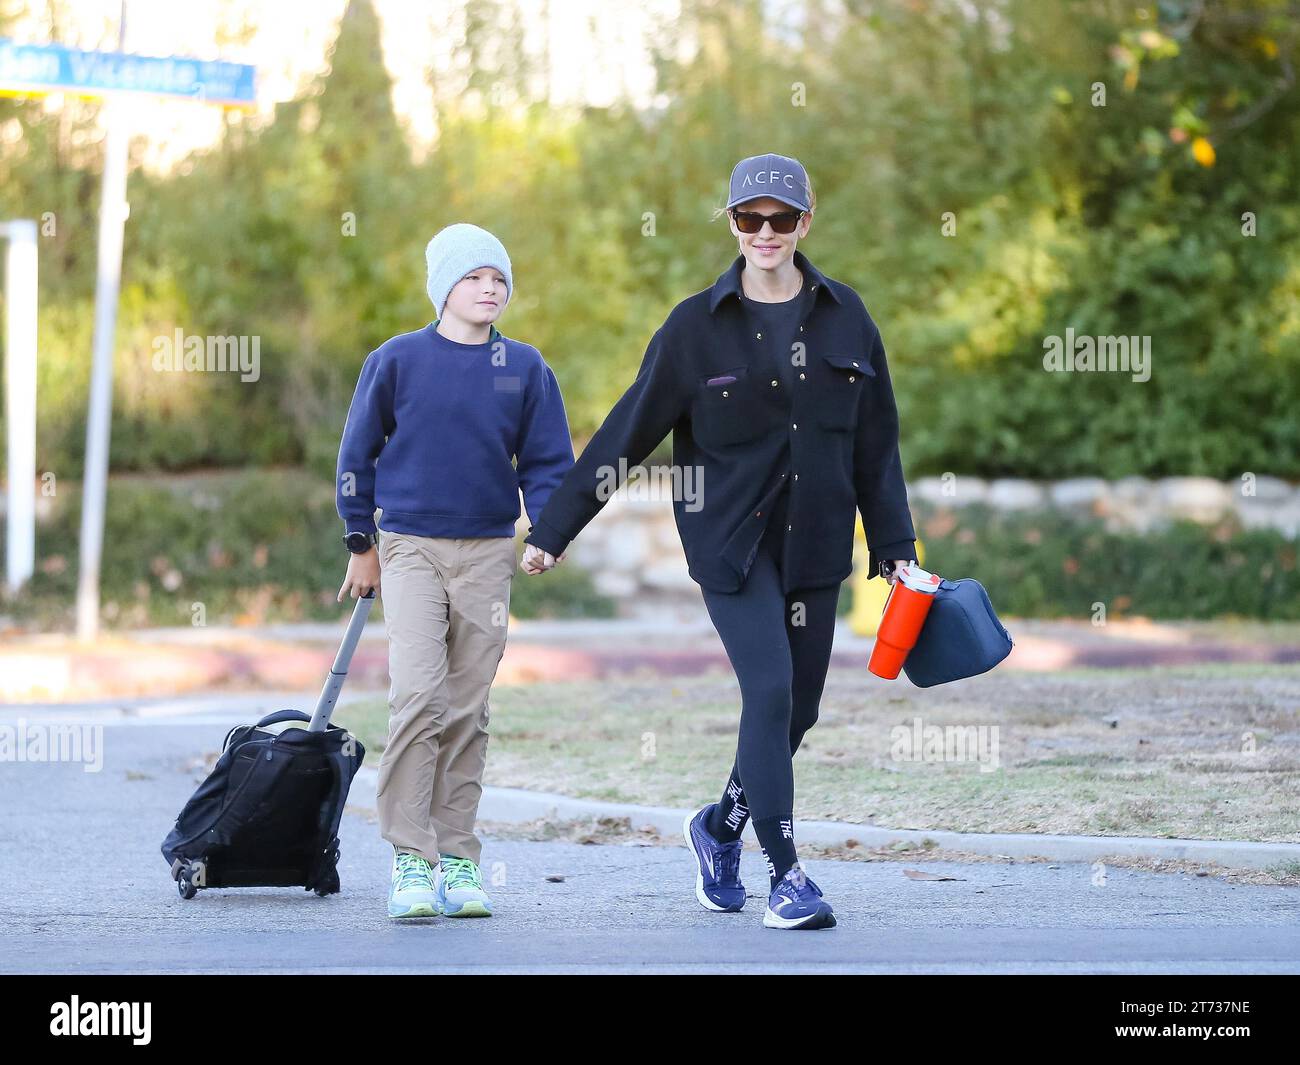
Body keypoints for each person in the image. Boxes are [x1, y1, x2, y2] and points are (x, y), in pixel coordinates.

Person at [521, 153, 917, 930]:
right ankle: (787, 874)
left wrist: (895, 543)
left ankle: (718, 828)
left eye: (780, 219)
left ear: (805, 223)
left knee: (796, 711)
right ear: (732, 224)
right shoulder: (694, 329)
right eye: (749, 218)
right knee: (767, 692)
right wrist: (557, 527)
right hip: (730, 544)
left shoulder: (848, 318)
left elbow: (877, 443)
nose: (764, 232)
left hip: (816, 542)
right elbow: (626, 432)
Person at [335, 223, 574, 919]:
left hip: (487, 551)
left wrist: (547, 532)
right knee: (418, 697)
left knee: (468, 707)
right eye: (474, 277)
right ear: (444, 286)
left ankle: (459, 861)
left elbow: (548, 463)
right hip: (408, 545)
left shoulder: (525, 368)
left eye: (499, 278)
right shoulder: (398, 359)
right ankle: (412, 858)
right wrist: (361, 542)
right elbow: (358, 452)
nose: (489, 288)